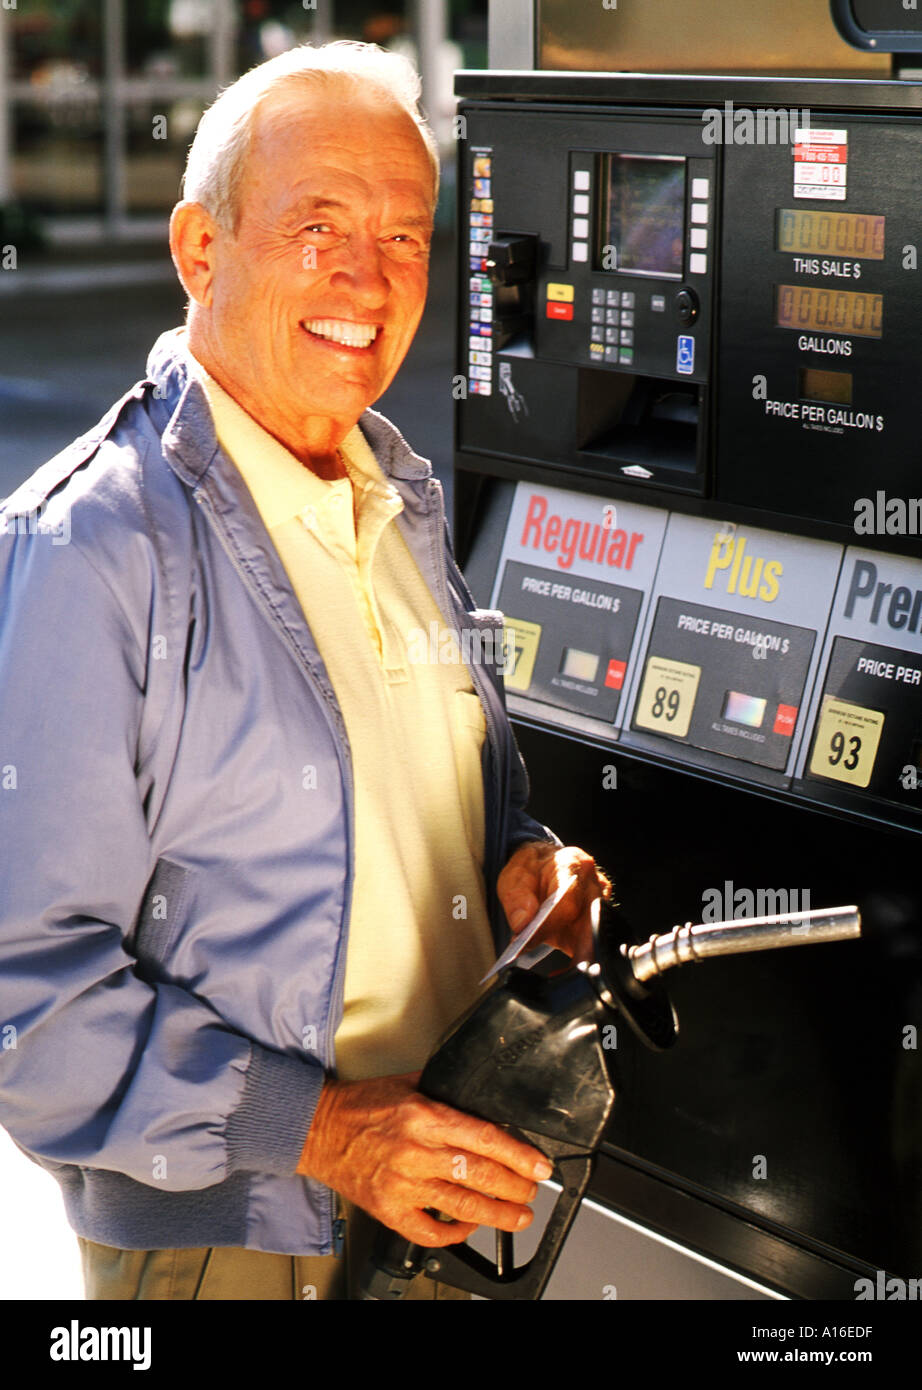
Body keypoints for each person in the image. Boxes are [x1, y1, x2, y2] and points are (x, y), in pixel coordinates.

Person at [0, 42, 610, 1301]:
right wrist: (324, 1133)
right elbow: (27, 1001)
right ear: (200, 249)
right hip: (234, 1246)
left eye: (402, 235)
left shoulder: (399, 498)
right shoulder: (89, 549)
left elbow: (438, 809)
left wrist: (521, 863)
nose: (368, 278)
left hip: (440, 1212)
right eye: (317, 224)